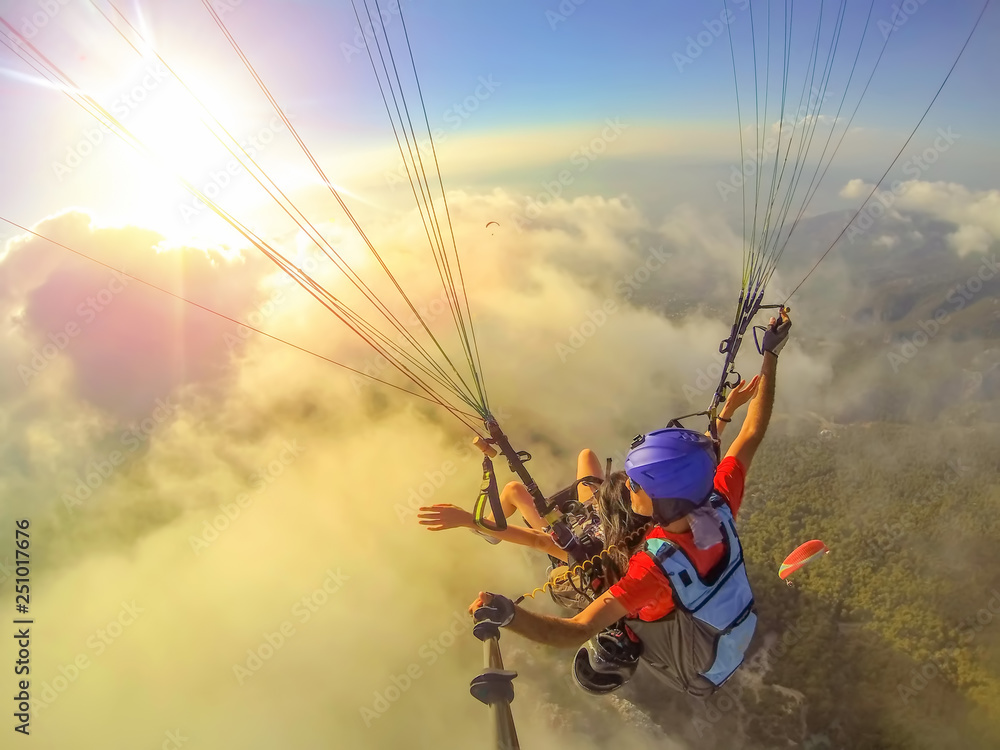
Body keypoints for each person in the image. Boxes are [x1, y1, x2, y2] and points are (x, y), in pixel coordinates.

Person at [468, 309, 791, 697]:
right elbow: (751, 433)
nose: (627, 487)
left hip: (654, 605)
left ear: (661, 504)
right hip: (689, 601)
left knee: (567, 568)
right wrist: (769, 356)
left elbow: (579, 629)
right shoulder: (715, 501)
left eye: (635, 484)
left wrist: (511, 615)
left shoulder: (649, 571)